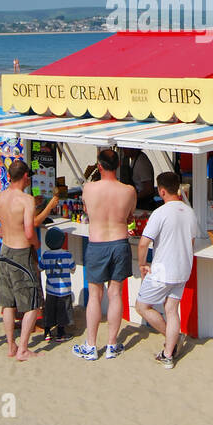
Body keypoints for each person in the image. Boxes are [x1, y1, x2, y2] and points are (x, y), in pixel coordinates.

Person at [74, 147, 136, 361]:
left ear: (99, 166)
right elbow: (129, 216)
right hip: (119, 242)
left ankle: (91, 345)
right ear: (119, 165)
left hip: (98, 243)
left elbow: (87, 211)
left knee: (95, 295)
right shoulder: (128, 191)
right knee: (115, 294)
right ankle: (112, 343)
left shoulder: (89, 189)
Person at [135, 172, 198, 368]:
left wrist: (142, 264)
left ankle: (171, 338)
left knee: (141, 306)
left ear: (162, 191)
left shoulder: (160, 213)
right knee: (171, 310)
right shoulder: (190, 212)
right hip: (183, 268)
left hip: (163, 269)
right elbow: (191, 242)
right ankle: (168, 352)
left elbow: (143, 243)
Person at [0, 159, 46, 360]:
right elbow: (29, 232)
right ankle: (23, 348)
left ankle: (11, 345)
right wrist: (36, 245)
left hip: (5, 252)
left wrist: (8, 233)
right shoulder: (26, 200)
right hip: (21, 253)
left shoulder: (0, 197)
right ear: (26, 176)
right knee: (32, 303)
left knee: (8, 302)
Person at [39, 227, 75, 341]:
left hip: (50, 289)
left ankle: (47, 332)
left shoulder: (45, 255)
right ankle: (60, 333)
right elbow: (73, 268)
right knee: (63, 311)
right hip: (64, 289)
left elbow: (40, 268)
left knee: (49, 310)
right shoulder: (67, 255)